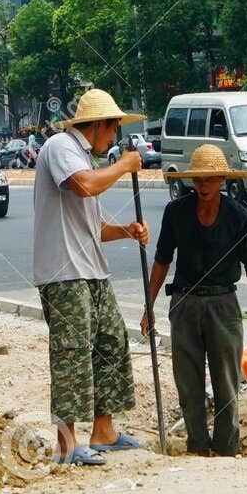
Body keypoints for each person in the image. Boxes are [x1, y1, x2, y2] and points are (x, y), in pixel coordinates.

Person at [31, 88, 150, 466]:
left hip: (92, 270)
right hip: (64, 273)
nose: (114, 139)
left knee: (110, 343)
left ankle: (104, 430)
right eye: (113, 130)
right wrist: (125, 166)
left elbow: (93, 227)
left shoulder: (85, 158)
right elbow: (84, 185)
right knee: (72, 354)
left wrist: (126, 230)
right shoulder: (61, 146)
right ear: (100, 125)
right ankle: (66, 444)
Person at [142, 145, 247, 457]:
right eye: (198, 179)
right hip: (184, 303)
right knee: (188, 381)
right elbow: (161, 260)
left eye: (210, 179)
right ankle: (198, 446)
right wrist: (149, 305)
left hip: (223, 305)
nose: (203, 185)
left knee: (226, 381)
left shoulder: (239, 217)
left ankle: (226, 448)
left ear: (222, 179)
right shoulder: (176, 212)